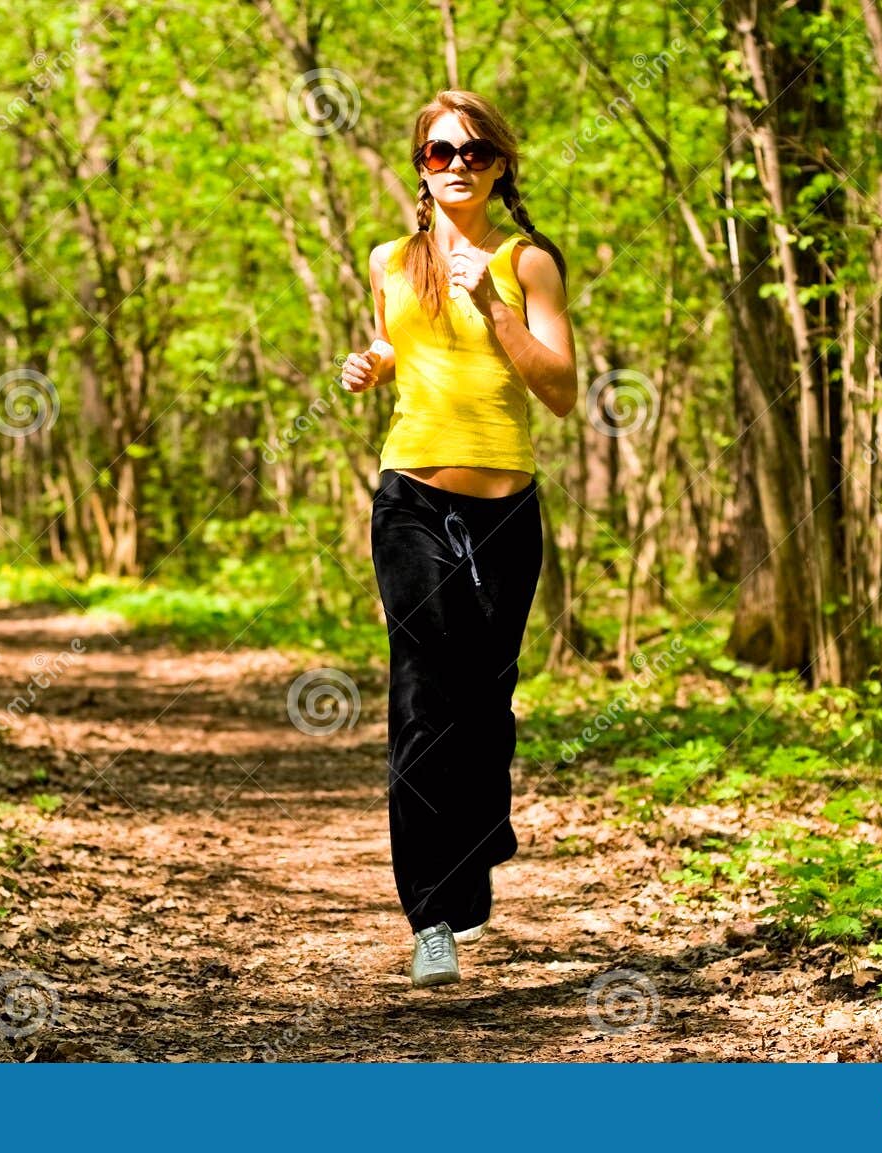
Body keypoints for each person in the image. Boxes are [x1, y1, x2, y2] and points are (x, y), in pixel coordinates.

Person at [341, 90, 577, 988]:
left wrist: (495, 307)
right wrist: (374, 361)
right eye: (440, 152)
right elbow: (401, 339)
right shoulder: (390, 260)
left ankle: (477, 844)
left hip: (506, 508)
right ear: (421, 165)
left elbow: (560, 390)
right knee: (422, 693)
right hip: (410, 496)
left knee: (486, 698)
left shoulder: (528, 262)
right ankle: (430, 917)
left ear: (500, 164)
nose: (457, 166)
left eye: (475, 152)